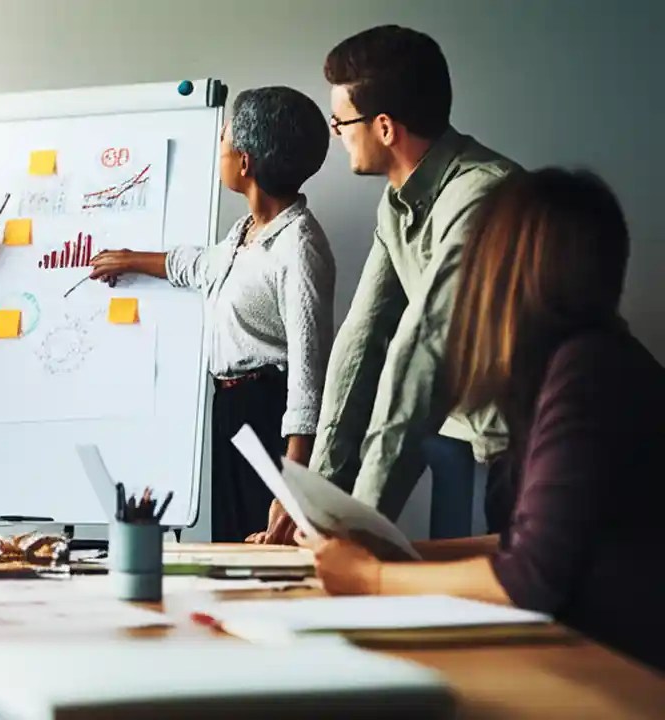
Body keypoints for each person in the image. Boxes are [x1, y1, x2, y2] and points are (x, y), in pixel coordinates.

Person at [303, 168, 665, 672]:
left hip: (623, 675)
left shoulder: (587, 372)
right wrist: (393, 553)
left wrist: (372, 578)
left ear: (509, 269)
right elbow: (523, 545)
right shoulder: (578, 363)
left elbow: (529, 577)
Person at [261, 25, 521, 544]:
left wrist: (359, 530)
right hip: (473, 443)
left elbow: (423, 350)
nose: (336, 134)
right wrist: (317, 497)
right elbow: (363, 339)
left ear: (384, 128)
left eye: (341, 122)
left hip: (539, 449)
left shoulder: (483, 197)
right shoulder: (397, 203)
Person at [89, 86, 334, 541]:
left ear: (245, 163)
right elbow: (200, 266)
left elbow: (309, 372)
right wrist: (130, 259)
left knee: (266, 551)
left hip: (269, 413)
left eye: (223, 140)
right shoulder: (245, 233)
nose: (217, 147)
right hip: (232, 409)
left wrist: (294, 484)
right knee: (233, 543)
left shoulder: (299, 246)